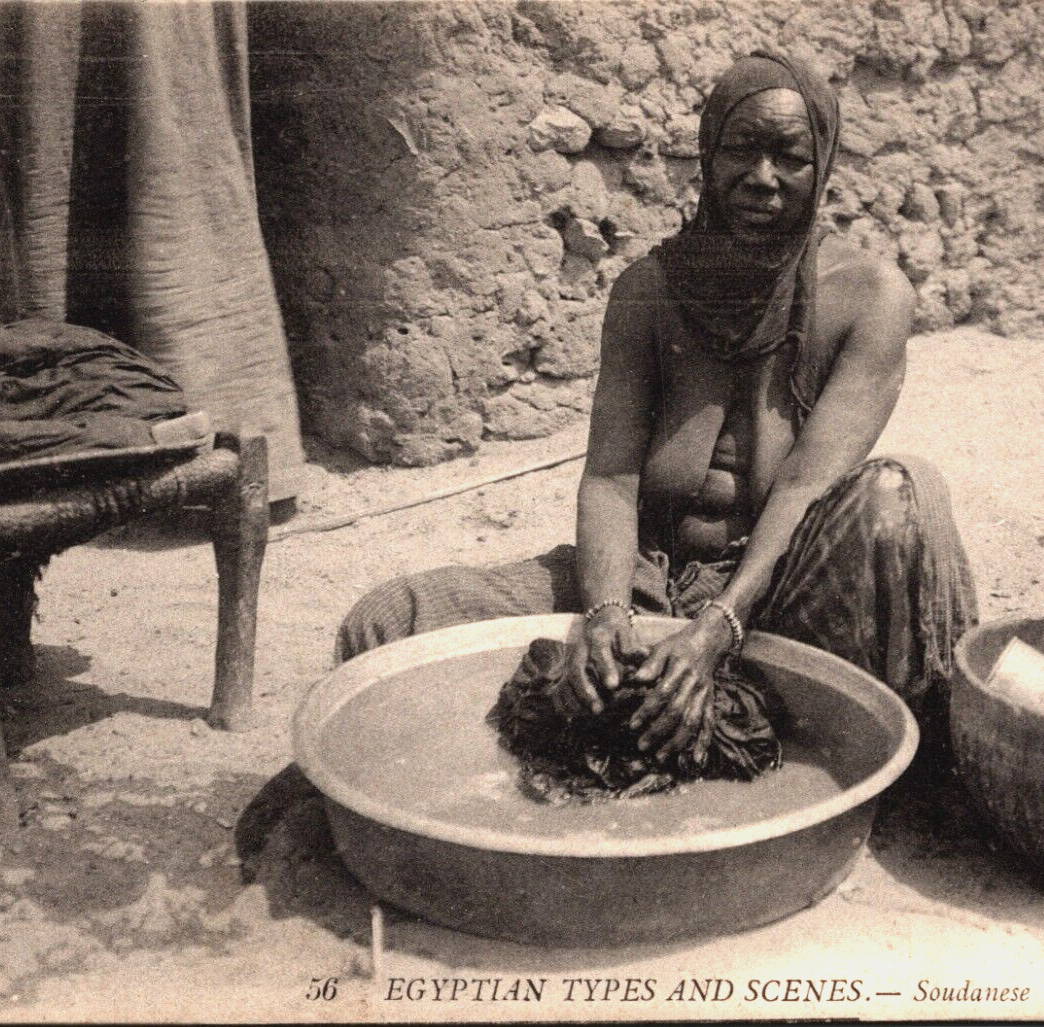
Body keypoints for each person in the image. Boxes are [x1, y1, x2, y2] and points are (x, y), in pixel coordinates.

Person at [338, 51, 978, 762]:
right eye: (742, 149)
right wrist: (606, 615)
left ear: (820, 166)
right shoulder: (647, 290)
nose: (762, 178)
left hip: (782, 596)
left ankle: (740, 704)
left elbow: (803, 486)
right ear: (709, 153)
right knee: (386, 622)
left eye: (789, 157)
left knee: (900, 493)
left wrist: (716, 630)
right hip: (646, 573)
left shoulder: (869, 297)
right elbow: (611, 478)